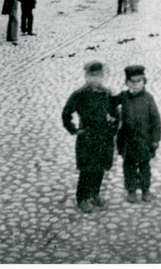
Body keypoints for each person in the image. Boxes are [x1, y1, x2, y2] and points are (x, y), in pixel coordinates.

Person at [62, 61, 118, 212]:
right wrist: (74, 130)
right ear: (86, 76)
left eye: (98, 76)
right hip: (87, 137)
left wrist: (113, 128)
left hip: (103, 136)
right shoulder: (79, 95)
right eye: (92, 76)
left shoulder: (107, 93)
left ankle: (94, 194)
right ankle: (82, 198)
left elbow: (115, 113)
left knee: (100, 167)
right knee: (87, 169)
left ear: (103, 76)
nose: (95, 79)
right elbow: (66, 114)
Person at [114, 65, 161, 203]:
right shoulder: (123, 96)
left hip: (144, 141)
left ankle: (145, 190)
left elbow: (156, 120)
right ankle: (131, 190)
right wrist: (115, 117)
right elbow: (110, 103)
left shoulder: (148, 98)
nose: (135, 84)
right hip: (127, 141)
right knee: (128, 167)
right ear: (126, 82)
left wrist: (155, 139)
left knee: (144, 167)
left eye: (139, 81)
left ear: (144, 81)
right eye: (132, 81)